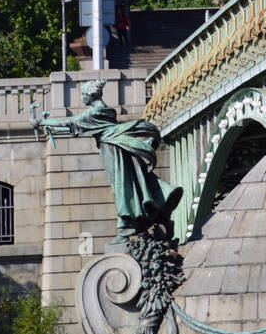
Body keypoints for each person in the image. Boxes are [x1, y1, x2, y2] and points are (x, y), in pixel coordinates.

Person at [35, 79, 182, 239]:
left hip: (113, 153)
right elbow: (73, 127)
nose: (82, 98)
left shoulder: (94, 113)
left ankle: (124, 229)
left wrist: (41, 122)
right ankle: (161, 218)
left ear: (89, 95)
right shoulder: (106, 110)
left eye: (83, 94)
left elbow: (69, 122)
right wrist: (48, 126)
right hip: (117, 147)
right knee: (135, 184)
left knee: (122, 190)